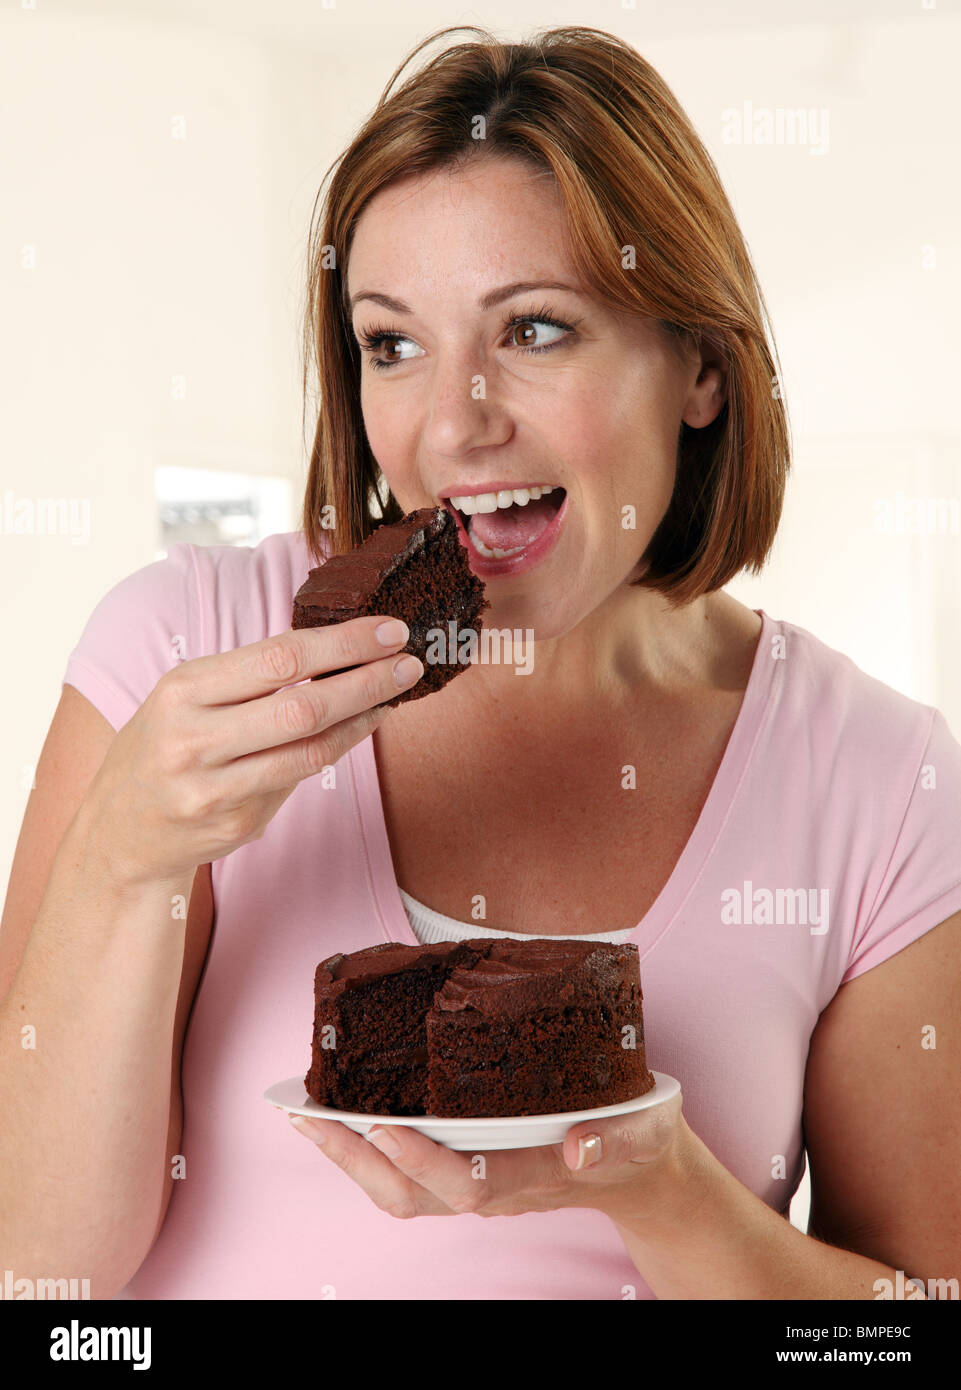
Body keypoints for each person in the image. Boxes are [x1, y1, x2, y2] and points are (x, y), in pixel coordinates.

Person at [2, 25, 959, 1302]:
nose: (452, 423)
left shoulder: (884, 787)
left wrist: (662, 1188)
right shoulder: (178, 647)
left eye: (537, 330)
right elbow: (40, 1272)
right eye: (390, 344)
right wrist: (124, 857)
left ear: (701, 369)